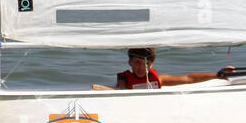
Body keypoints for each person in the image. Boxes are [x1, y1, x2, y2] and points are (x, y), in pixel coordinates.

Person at [95, 47, 234, 90]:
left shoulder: (160, 80)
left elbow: (188, 78)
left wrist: (217, 75)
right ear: (129, 63)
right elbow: (117, 91)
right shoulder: (125, 80)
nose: (141, 67)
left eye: (146, 63)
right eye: (137, 62)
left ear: (152, 64)